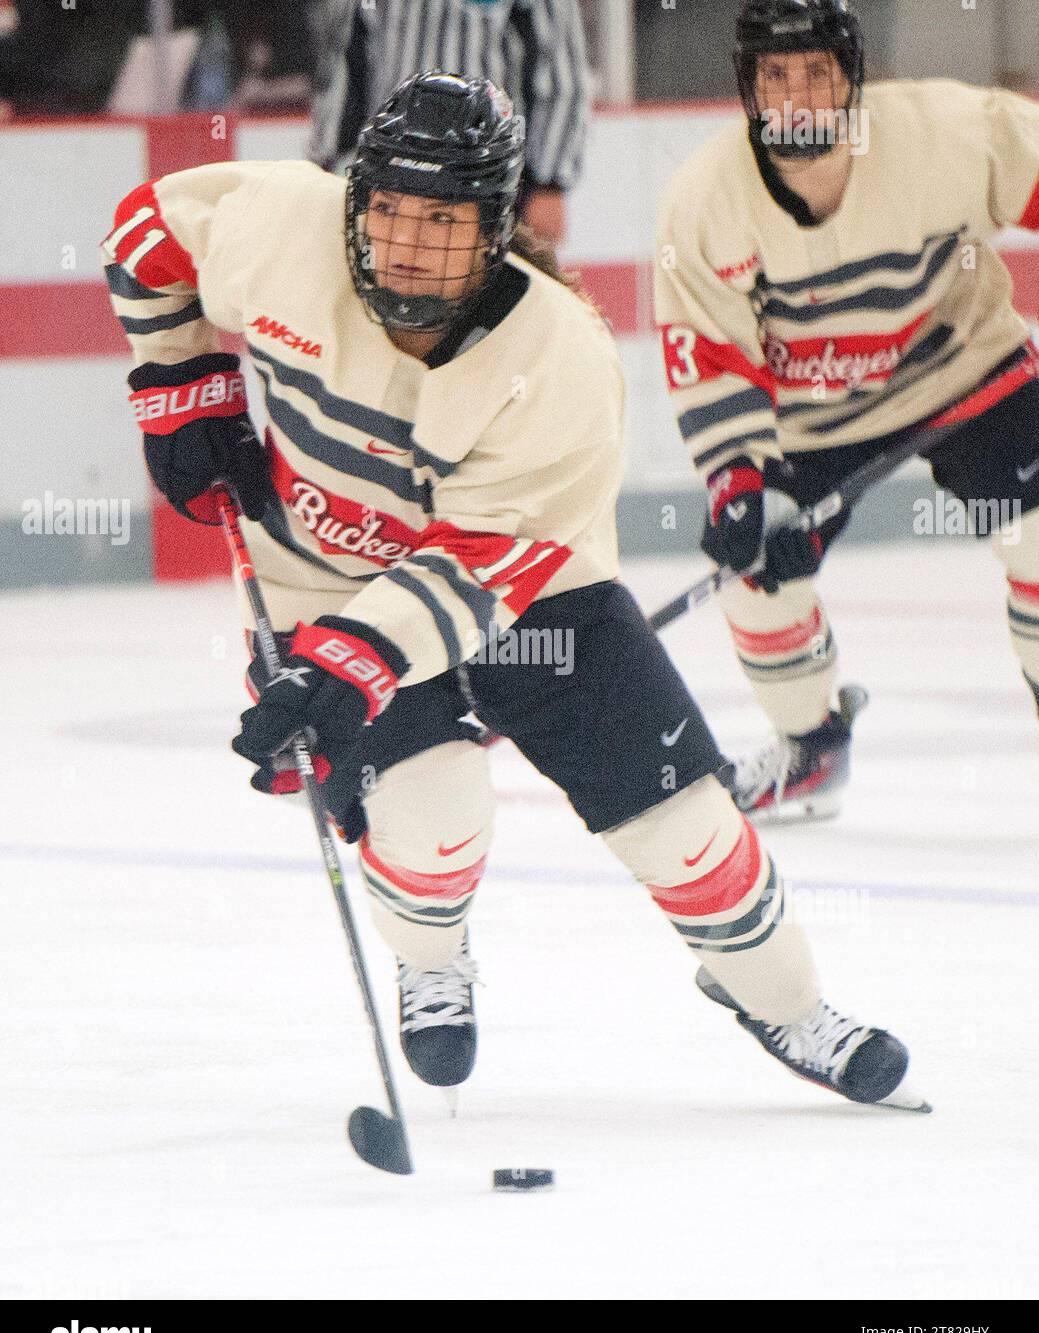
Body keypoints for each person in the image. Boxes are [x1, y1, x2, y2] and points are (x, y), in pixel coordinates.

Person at [103, 70, 924, 1112]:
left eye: (439, 219)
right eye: (386, 208)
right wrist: (178, 382)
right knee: (436, 818)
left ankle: (785, 1000)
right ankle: (431, 957)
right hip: (324, 577)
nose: (401, 242)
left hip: (533, 595)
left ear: (494, 229)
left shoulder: (560, 358)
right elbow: (144, 234)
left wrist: (343, 675)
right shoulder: (281, 224)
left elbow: (486, 563)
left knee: (689, 831)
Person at [654, 0, 1039, 822]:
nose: (796, 97)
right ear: (747, 88)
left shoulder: (947, 133)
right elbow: (712, 360)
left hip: (966, 375)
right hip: (807, 422)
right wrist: (740, 486)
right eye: (775, 76)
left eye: (816, 75)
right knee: (753, 578)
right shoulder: (704, 202)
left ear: (852, 78)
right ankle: (810, 745)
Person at [307, 0, 589, 246]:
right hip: (392, 167)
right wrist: (326, 159)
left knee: (488, 289)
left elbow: (559, 72)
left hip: (487, 174)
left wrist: (548, 184)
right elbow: (348, 58)